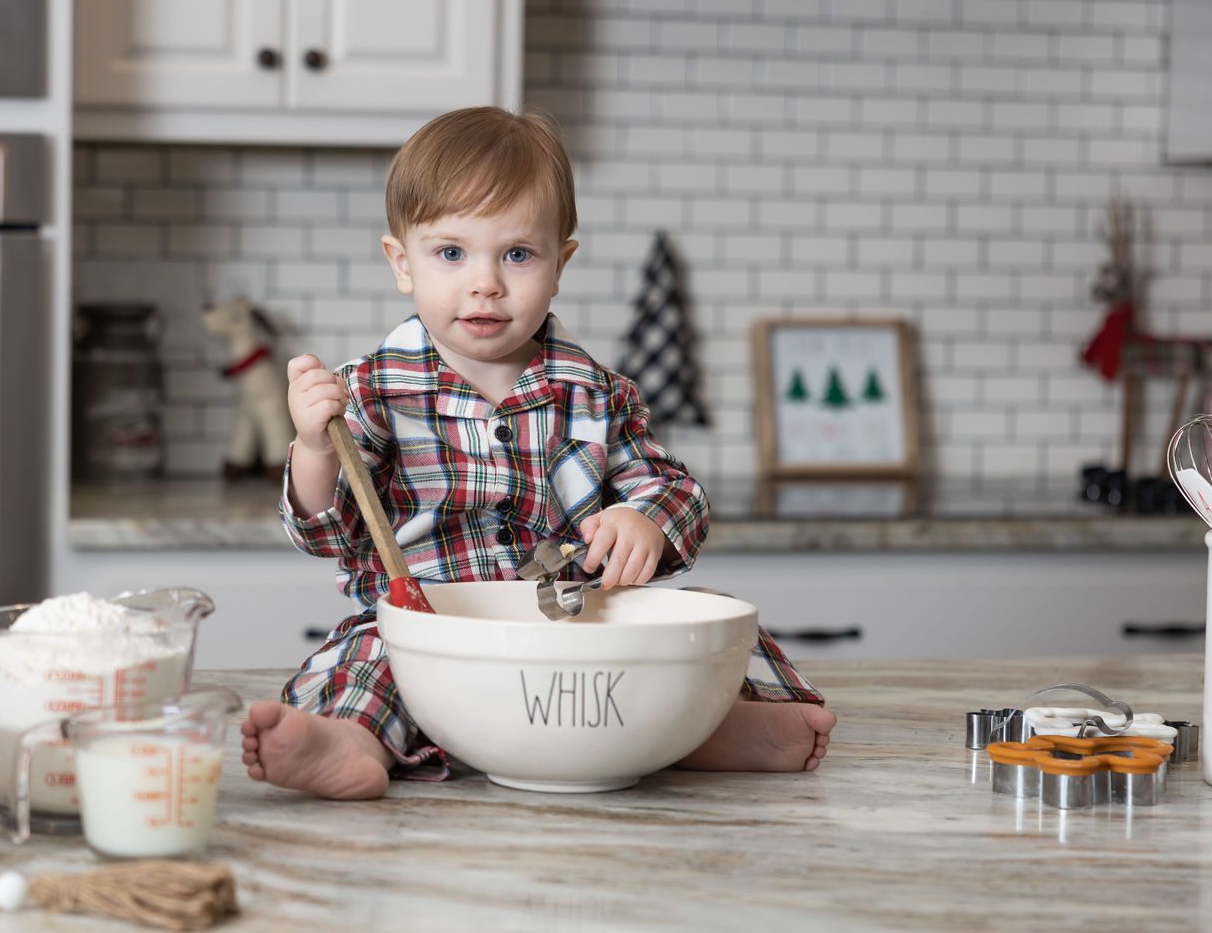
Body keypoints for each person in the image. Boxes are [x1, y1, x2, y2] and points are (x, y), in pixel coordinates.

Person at [241, 106, 836, 799]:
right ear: (402, 262)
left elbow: (676, 492)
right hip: (433, 628)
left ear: (561, 263)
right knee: (369, 652)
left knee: (702, 619)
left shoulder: (596, 393)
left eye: (517, 254)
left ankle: (716, 726)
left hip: (568, 623)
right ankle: (350, 740)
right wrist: (315, 447)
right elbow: (326, 529)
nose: (486, 282)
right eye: (452, 252)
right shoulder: (369, 391)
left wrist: (643, 521)